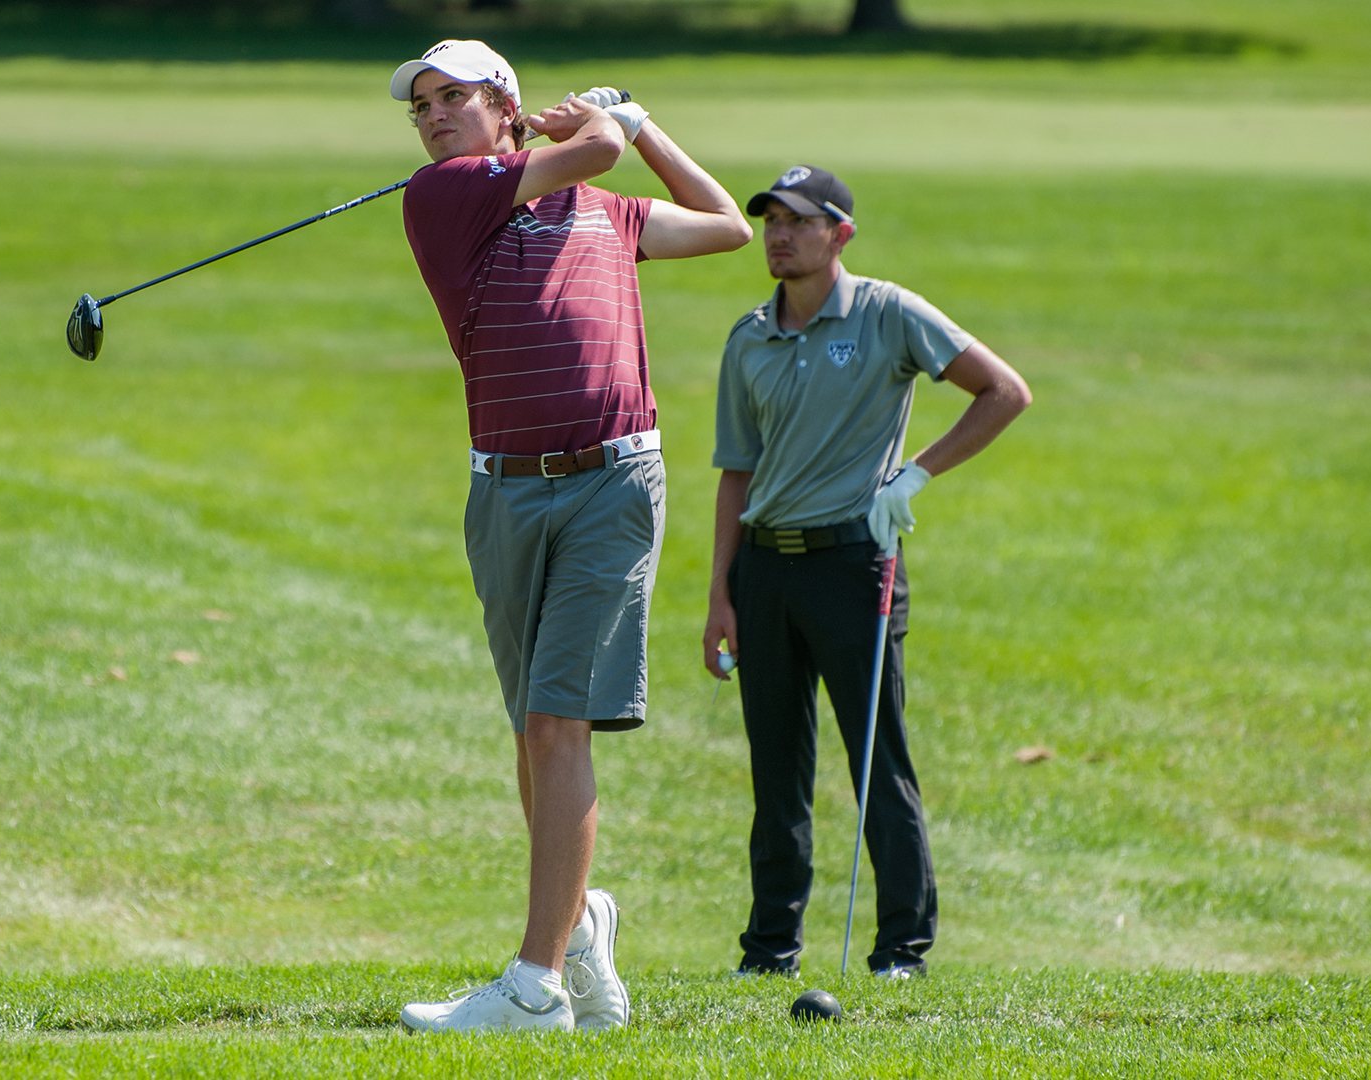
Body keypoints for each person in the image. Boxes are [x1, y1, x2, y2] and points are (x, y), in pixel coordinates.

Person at [390, 40, 751, 1031]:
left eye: (452, 97)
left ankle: (536, 986)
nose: (430, 116)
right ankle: (580, 925)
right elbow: (591, 152)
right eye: (419, 105)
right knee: (532, 732)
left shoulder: (611, 215)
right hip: (505, 491)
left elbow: (727, 228)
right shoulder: (447, 196)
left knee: (557, 726)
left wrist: (643, 127)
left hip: (612, 482)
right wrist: (605, 125)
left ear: (505, 105)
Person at [703, 165, 1031, 978]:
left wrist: (915, 473)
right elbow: (736, 472)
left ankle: (901, 949)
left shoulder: (887, 313)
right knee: (776, 770)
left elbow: (1003, 391)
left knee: (877, 761)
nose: (779, 234)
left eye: (799, 221)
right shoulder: (749, 336)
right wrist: (721, 593)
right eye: (770, 220)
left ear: (840, 233)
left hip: (857, 564)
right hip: (767, 573)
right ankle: (770, 949)